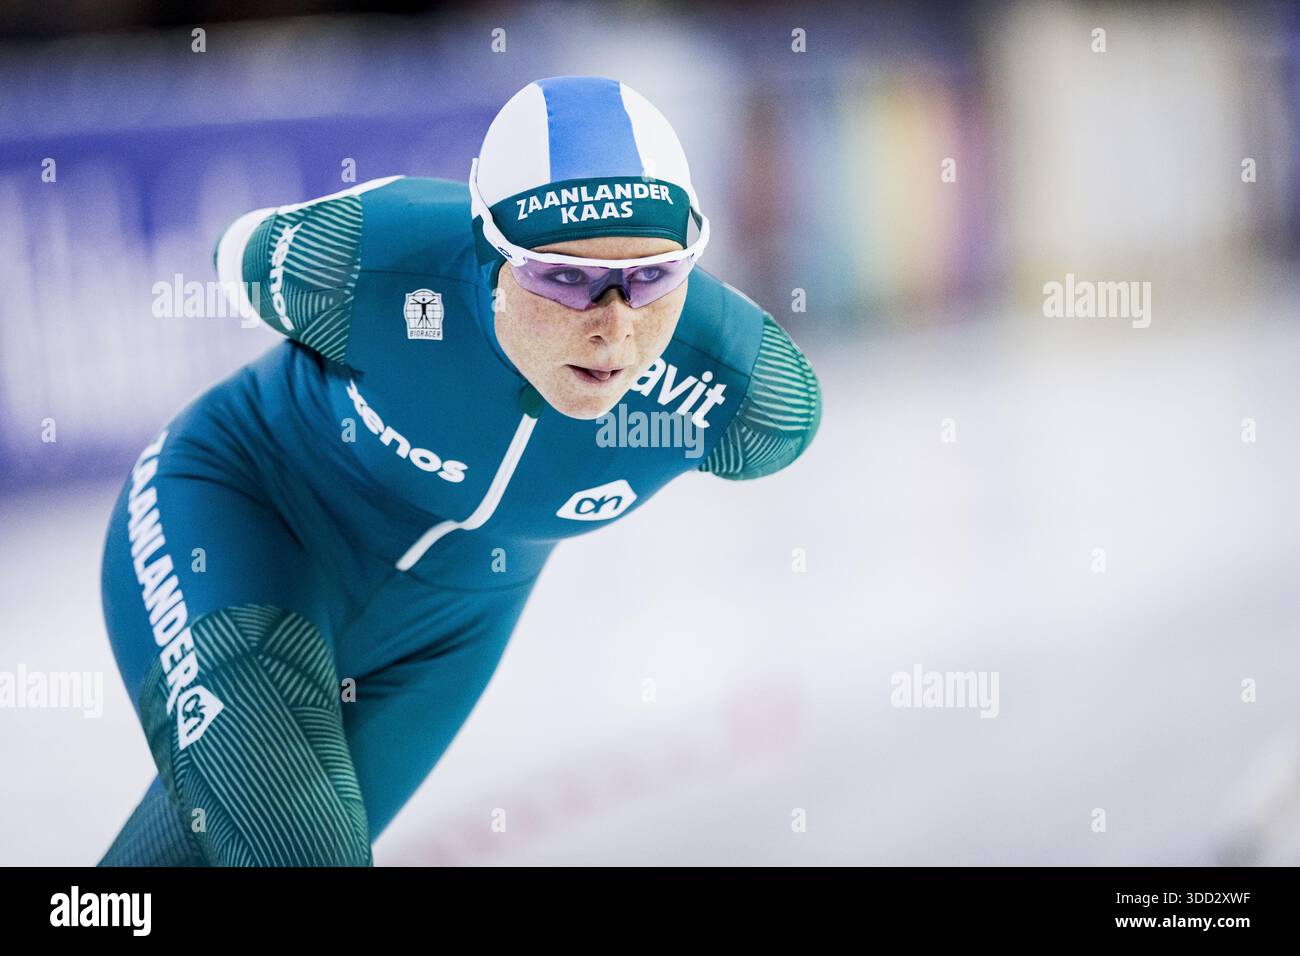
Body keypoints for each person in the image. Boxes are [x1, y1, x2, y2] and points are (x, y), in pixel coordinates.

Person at [98, 75, 822, 866]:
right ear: (488, 251)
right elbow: (232, 251)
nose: (615, 327)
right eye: (564, 278)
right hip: (246, 520)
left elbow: (782, 415)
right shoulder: (364, 259)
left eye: (654, 275)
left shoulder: (746, 398)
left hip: (447, 632)